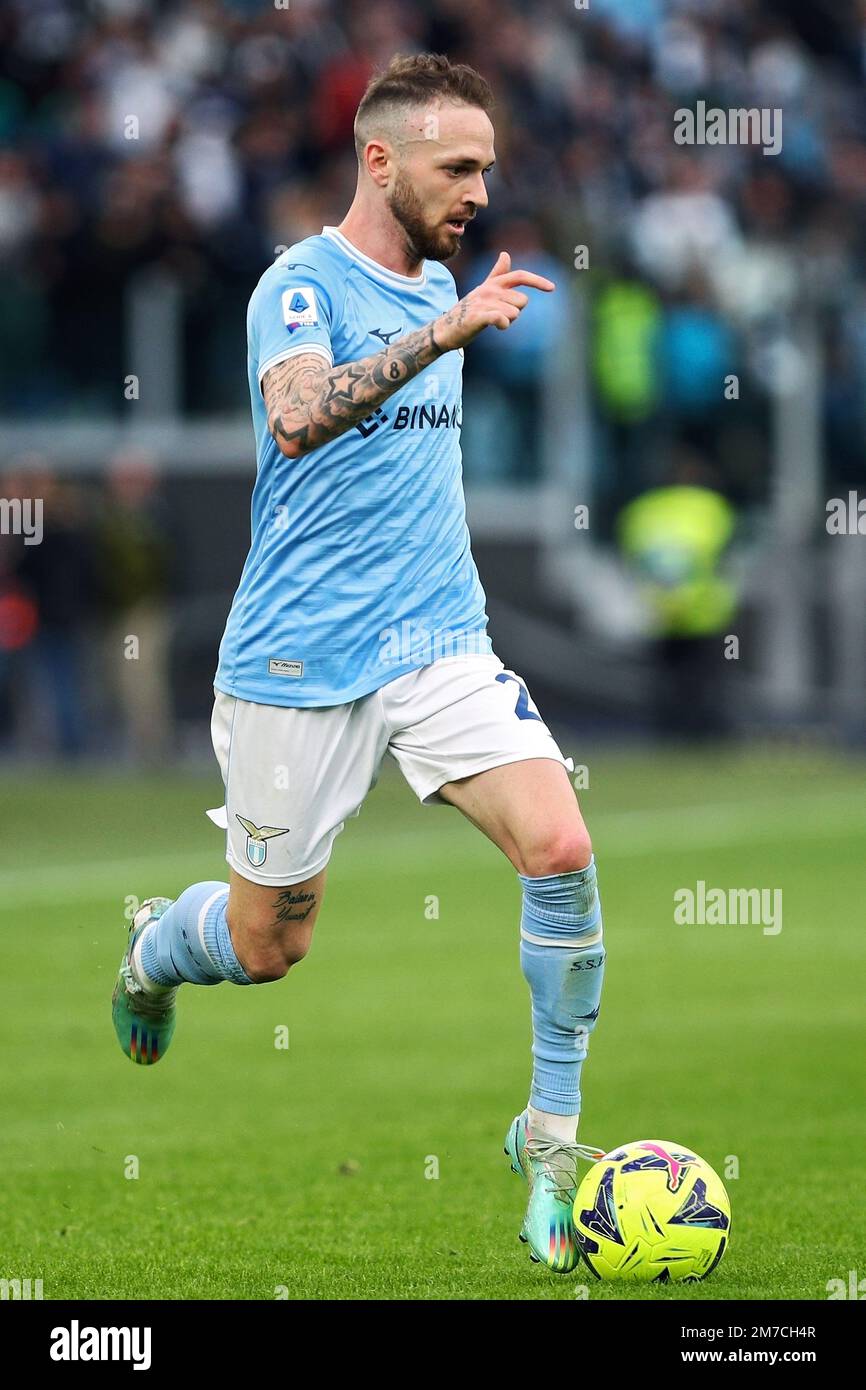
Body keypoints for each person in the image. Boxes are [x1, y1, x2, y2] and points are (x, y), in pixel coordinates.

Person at [111, 54, 606, 1275]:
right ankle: (151, 951)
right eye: (457, 166)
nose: (479, 189)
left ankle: (548, 1141)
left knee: (561, 848)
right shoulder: (294, 287)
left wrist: (445, 311)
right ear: (377, 159)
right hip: (297, 659)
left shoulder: (444, 273)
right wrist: (444, 330)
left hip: (437, 640)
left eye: (485, 166)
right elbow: (294, 414)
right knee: (269, 945)